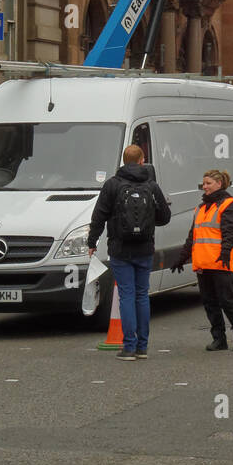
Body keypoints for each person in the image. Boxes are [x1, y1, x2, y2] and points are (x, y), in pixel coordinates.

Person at [87, 144, 172, 360]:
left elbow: (99, 216)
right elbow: (165, 217)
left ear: (123, 161)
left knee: (127, 295)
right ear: (143, 160)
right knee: (142, 295)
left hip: (120, 248)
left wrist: (92, 241)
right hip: (145, 247)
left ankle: (129, 347)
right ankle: (143, 347)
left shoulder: (112, 185)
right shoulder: (151, 185)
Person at [172, 169, 233, 351]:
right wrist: (181, 258)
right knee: (210, 303)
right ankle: (219, 339)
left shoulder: (229, 204)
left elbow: (229, 232)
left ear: (219, 184)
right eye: (203, 184)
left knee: (227, 301)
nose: (204, 187)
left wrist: (225, 252)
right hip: (203, 264)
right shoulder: (201, 208)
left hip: (222, 262)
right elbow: (193, 237)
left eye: (208, 183)